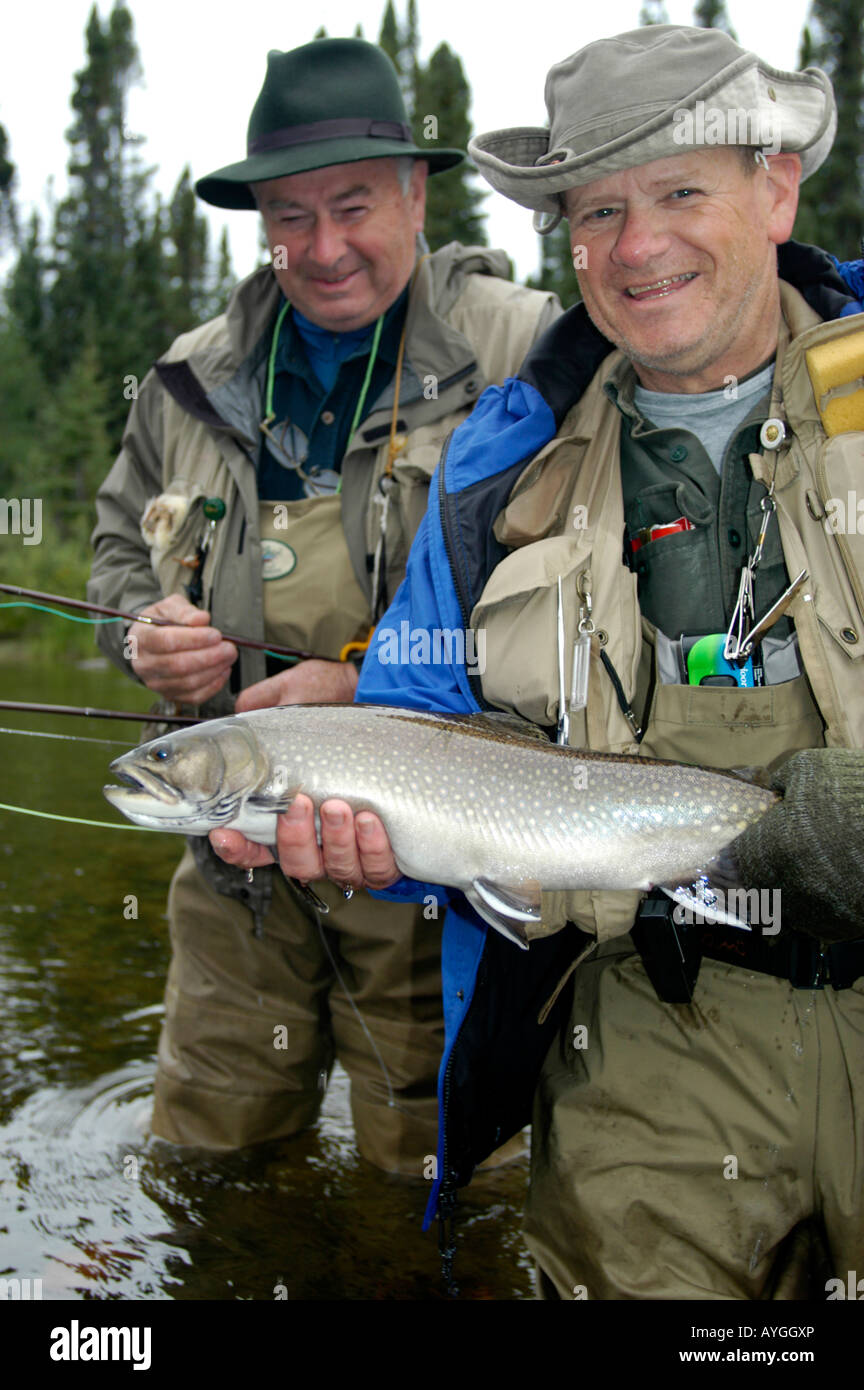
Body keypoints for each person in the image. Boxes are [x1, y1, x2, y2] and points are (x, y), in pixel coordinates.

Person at [218, 26, 864, 1297]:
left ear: (777, 187)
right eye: (599, 208)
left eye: (683, 190)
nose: (636, 245)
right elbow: (414, 735)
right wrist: (379, 850)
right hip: (652, 1020)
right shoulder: (492, 471)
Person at [88, 37, 559, 1175]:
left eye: (352, 205)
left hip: (435, 854)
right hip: (233, 858)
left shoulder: (527, 346)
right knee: (209, 1154)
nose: (322, 246)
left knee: (439, 1169)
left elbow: (586, 594)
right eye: (289, 217)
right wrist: (142, 640)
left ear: (415, 190)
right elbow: (113, 559)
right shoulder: (189, 378)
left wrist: (373, 691)